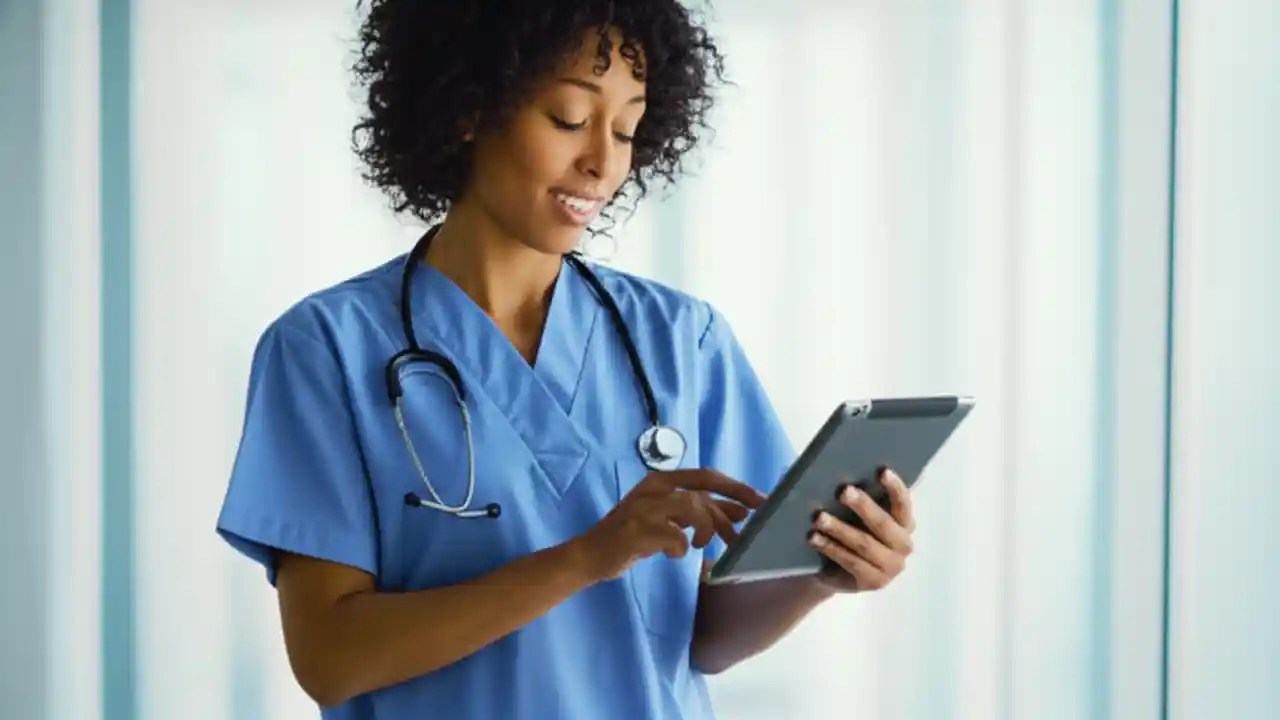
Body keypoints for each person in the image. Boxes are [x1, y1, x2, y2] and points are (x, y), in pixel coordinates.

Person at [215, 1, 918, 718]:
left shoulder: (683, 339)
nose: (603, 164)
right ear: (469, 107)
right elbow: (331, 659)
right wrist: (586, 557)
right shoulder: (326, 348)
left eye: (627, 130)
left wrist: (821, 576)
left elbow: (701, 638)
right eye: (569, 119)